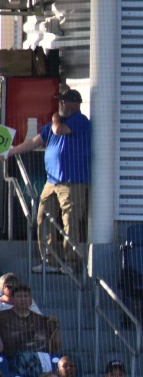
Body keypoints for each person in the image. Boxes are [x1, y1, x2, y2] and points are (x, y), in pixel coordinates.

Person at [4, 89, 90, 273]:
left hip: (72, 181)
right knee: (43, 217)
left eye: (64, 102)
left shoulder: (79, 121)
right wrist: (9, 153)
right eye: (60, 102)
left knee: (70, 221)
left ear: (75, 104)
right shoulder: (51, 127)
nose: (60, 105)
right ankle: (49, 260)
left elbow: (59, 129)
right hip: (51, 181)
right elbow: (34, 142)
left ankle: (71, 262)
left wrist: (54, 118)